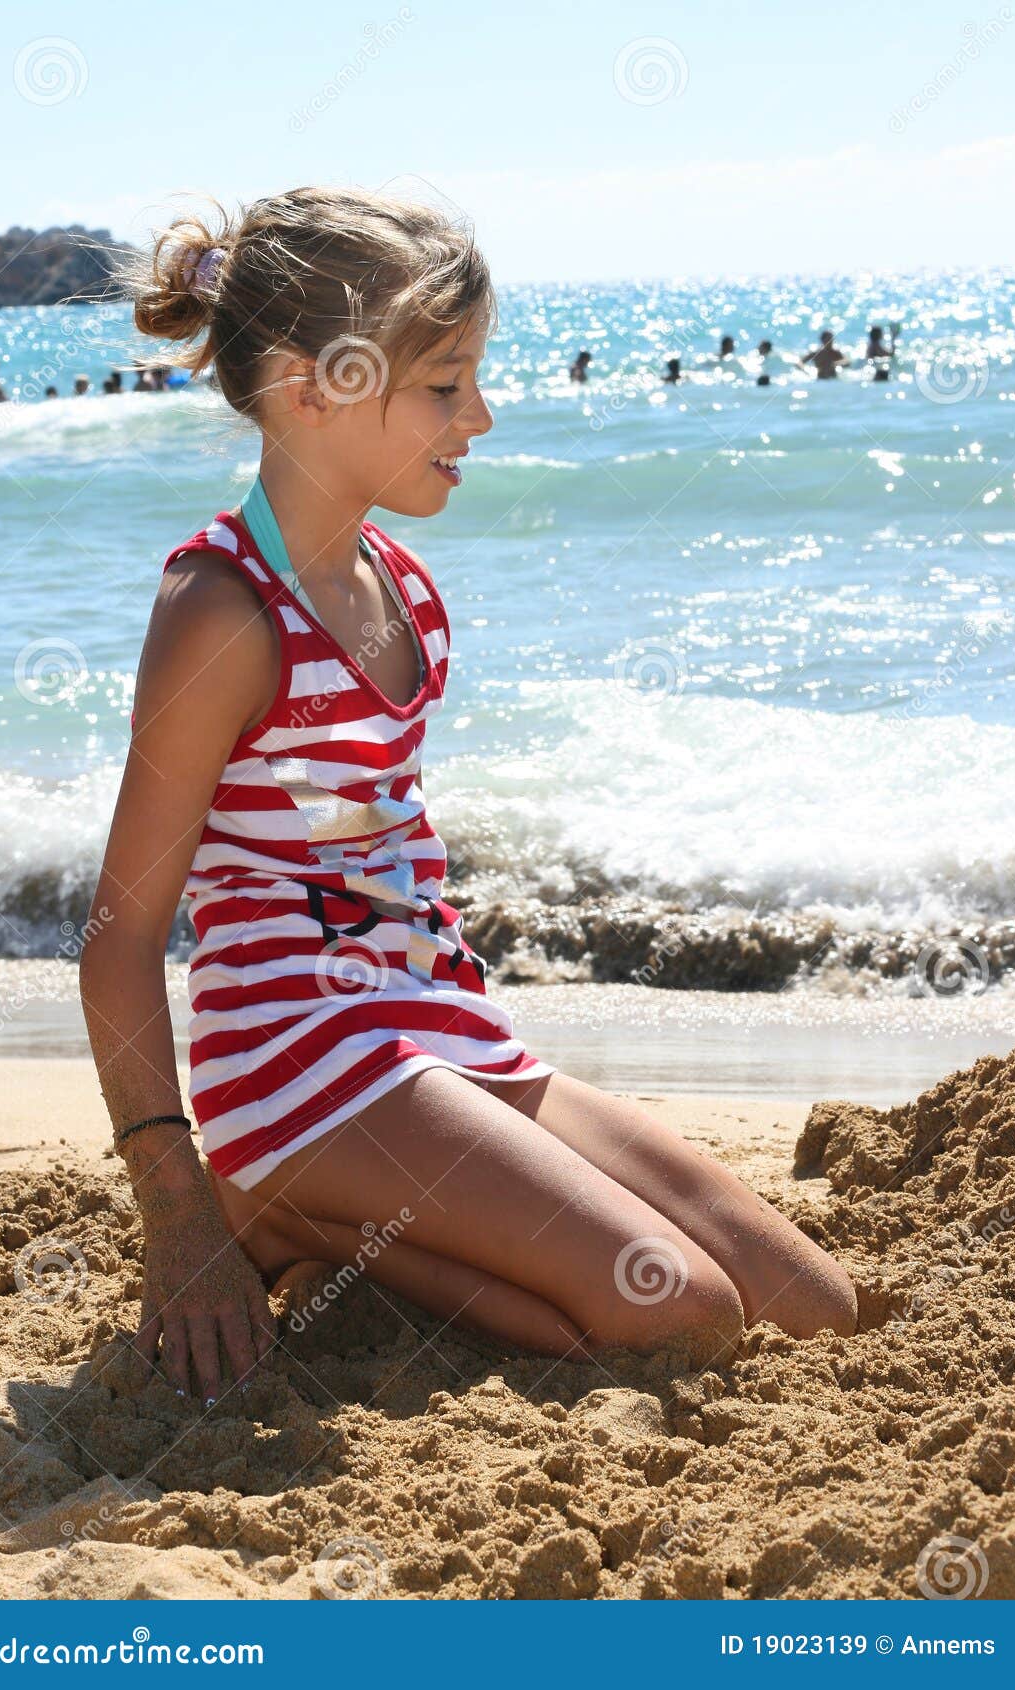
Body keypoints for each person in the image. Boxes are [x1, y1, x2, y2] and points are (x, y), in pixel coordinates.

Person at [79, 186, 856, 1406]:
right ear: (309, 385)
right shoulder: (221, 615)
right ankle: (276, 1212)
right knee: (689, 1309)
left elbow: (383, 848)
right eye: (444, 385)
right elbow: (118, 941)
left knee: (813, 1304)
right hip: (293, 1062)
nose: (480, 416)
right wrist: (175, 1216)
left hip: (426, 1024)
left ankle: (327, 1226)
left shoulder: (408, 590)